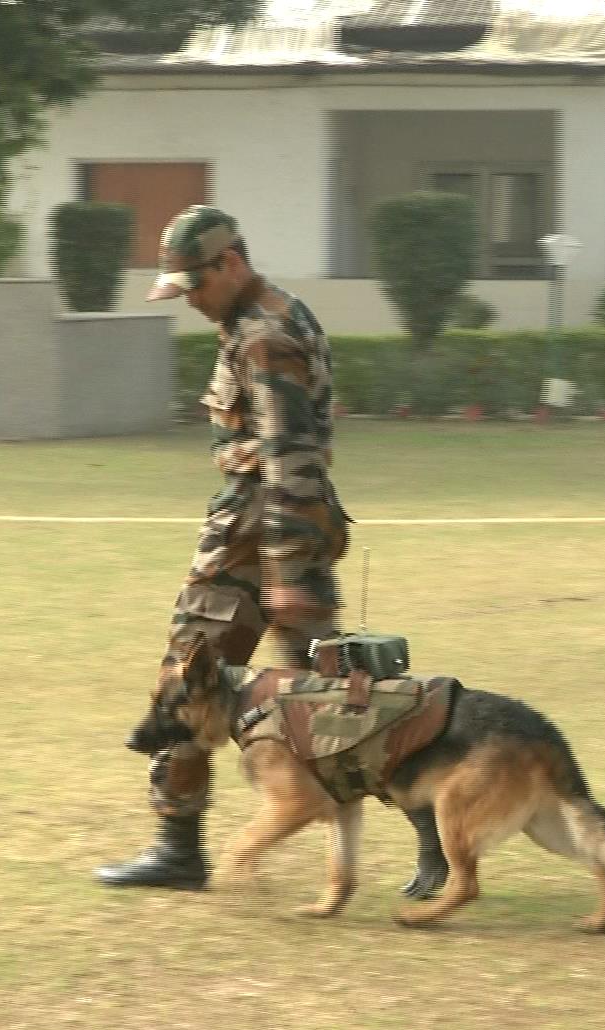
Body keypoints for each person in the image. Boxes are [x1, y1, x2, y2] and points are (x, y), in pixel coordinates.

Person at [94, 205, 448, 897]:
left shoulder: (265, 337)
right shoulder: (261, 318)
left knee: (193, 679)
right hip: (283, 531)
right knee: (342, 703)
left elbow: (291, 455)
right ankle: (433, 837)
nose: (191, 300)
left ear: (229, 263)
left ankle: (177, 847)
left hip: (261, 537)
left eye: (196, 284)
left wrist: (285, 573)